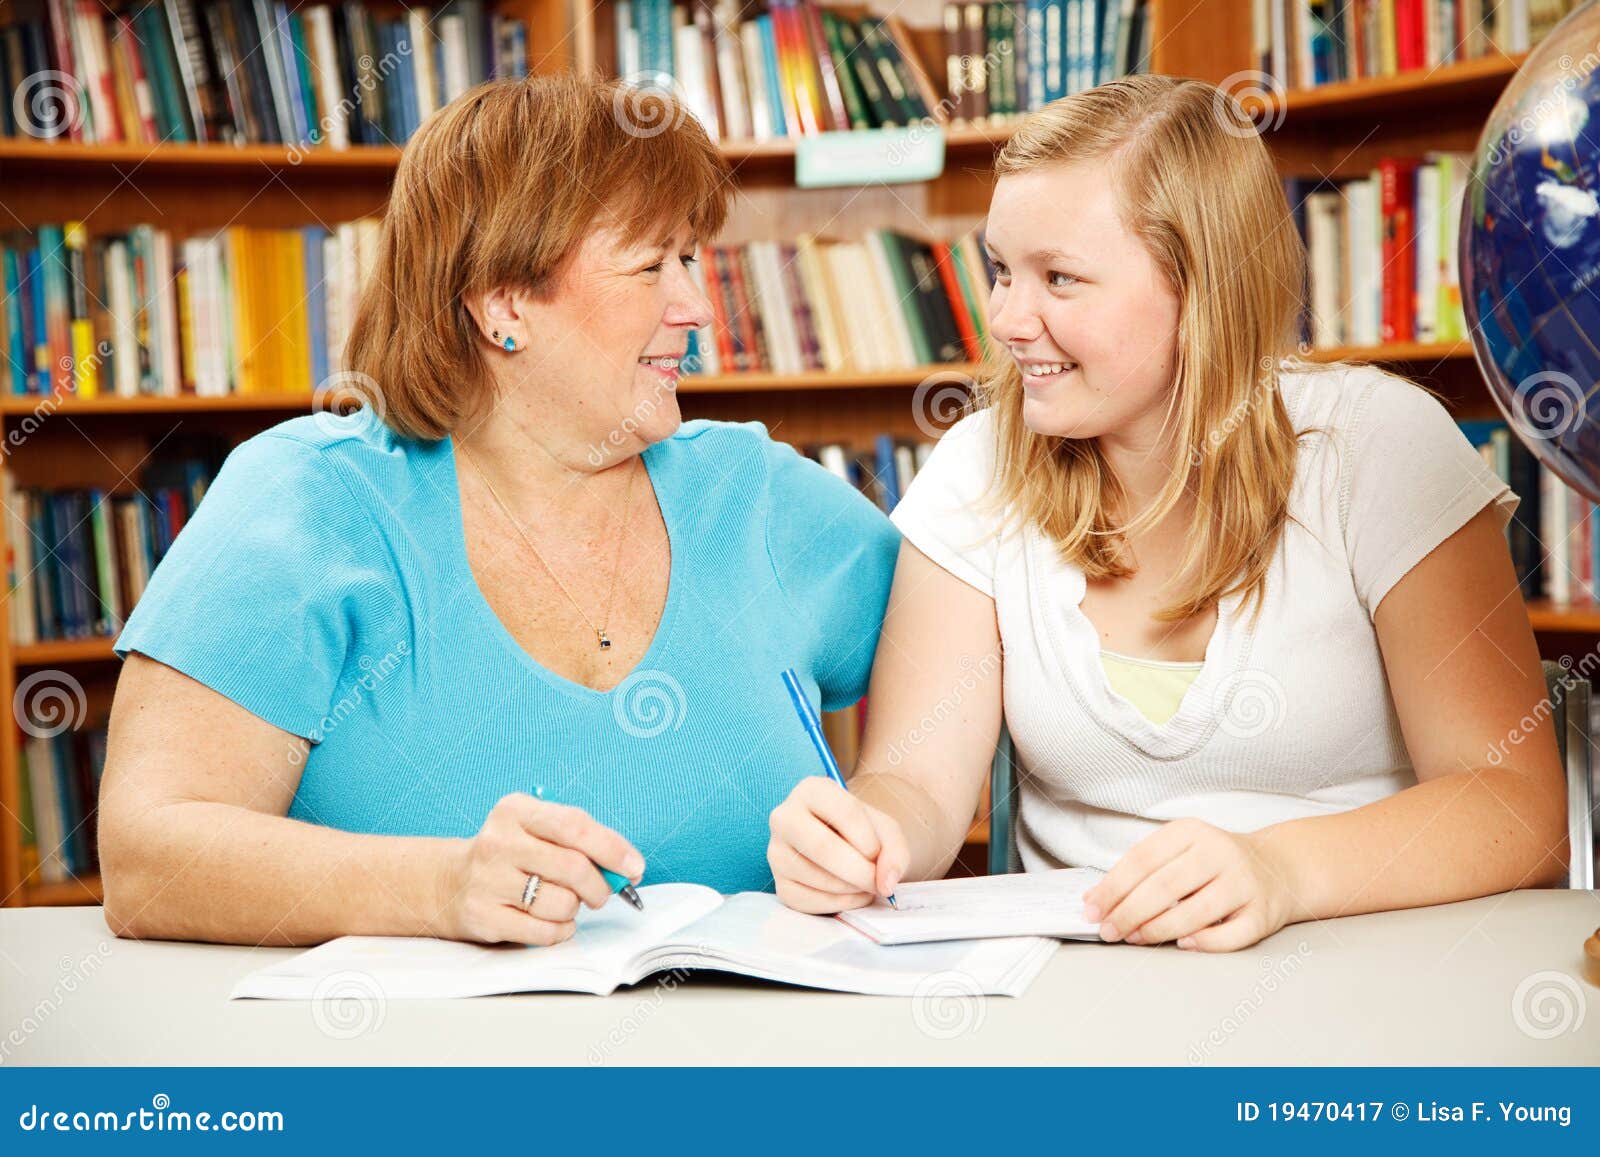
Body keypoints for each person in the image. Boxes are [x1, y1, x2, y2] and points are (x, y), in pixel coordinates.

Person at [767, 74, 1569, 951]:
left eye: (1059, 278)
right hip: (1080, 999)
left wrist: (1280, 871)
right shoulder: (974, 469)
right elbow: (916, 782)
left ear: (1202, 289)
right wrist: (866, 835)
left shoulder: (1377, 446)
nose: (1004, 317)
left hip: (1365, 968)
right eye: (1000, 270)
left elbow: (1517, 808)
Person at [97, 75, 898, 947]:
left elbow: (990, 631)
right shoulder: (310, 499)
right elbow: (146, 860)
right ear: (503, 304)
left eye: (692, 258)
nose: (698, 308)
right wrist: (437, 888)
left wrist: (894, 816)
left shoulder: (757, 494)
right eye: (650, 265)